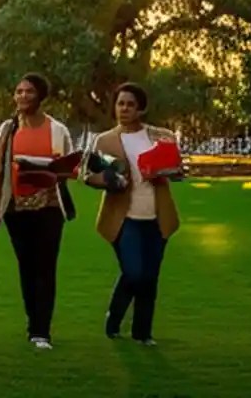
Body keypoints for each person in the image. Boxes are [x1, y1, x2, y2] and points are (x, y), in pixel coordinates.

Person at [82, 82, 180, 346]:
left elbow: (177, 167)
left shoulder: (161, 137)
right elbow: (87, 175)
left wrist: (169, 172)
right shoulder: (105, 140)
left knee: (149, 277)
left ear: (141, 109)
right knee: (134, 273)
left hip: (157, 215)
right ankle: (114, 316)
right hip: (124, 218)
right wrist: (109, 181)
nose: (124, 109)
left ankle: (142, 333)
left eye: (130, 104)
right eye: (120, 104)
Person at [0, 73, 76, 350]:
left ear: (40, 96)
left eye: (28, 92)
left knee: (45, 267)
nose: (22, 96)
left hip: (49, 206)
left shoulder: (57, 129)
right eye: (18, 91)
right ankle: (32, 323)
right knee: (26, 267)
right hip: (17, 208)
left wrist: (53, 169)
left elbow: (70, 168)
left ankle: (42, 330)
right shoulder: (8, 128)